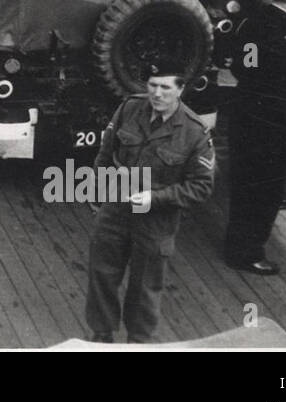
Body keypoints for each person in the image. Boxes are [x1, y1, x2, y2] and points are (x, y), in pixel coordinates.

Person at [85, 62, 215, 343]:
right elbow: (105, 154)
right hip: (116, 208)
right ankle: (101, 336)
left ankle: (138, 342)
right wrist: (97, 197)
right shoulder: (129, 108)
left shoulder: (194, 132)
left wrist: (154, 198)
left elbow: (201, 186)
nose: (157, 93)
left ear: (180, 89)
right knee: (101, 275)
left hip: (155, 220)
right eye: (153, 85)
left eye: (165, 87)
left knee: (145, 287)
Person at [225, 0, 286, 275]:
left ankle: (236, 245)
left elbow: (242, 66)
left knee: (243, 185)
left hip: (243, 111)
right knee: (267, 192)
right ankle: (248, 253)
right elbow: (285, 84)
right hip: (269, 123)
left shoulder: (251, 20)